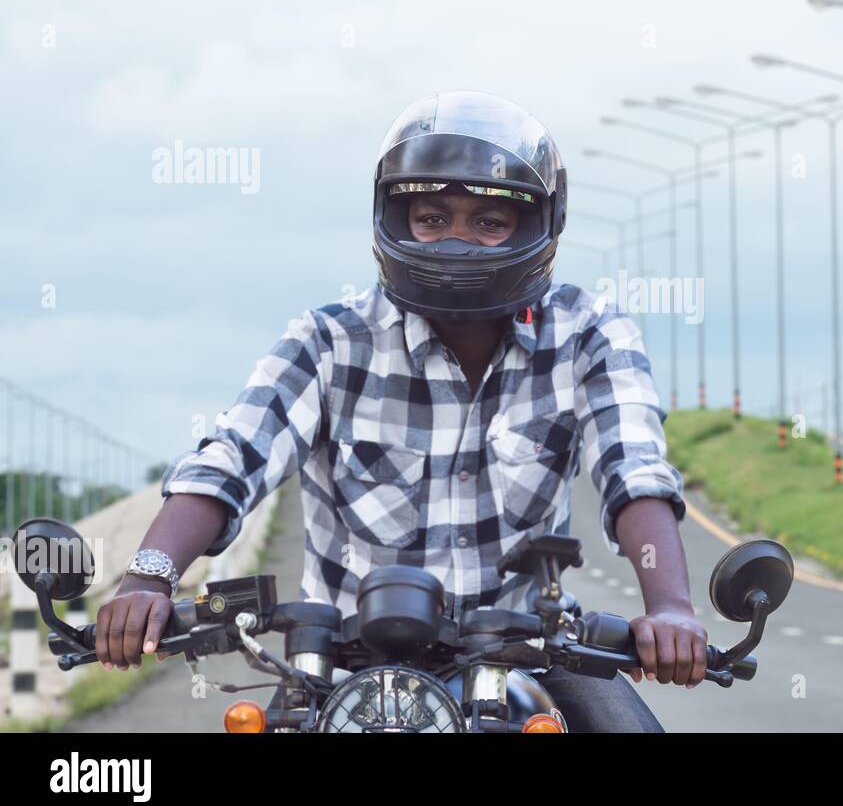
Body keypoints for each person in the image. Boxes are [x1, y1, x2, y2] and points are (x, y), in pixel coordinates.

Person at [95, 91, 704, 732]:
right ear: (396, 217)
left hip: (527, 649)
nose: (457, 242)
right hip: (338, 661)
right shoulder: (328, 341)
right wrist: (147, 578)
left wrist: (670, 608)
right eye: (433, 218)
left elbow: (633, 467)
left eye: (489, 223)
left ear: (534, 228)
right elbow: (232, 460)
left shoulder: (588, 334)